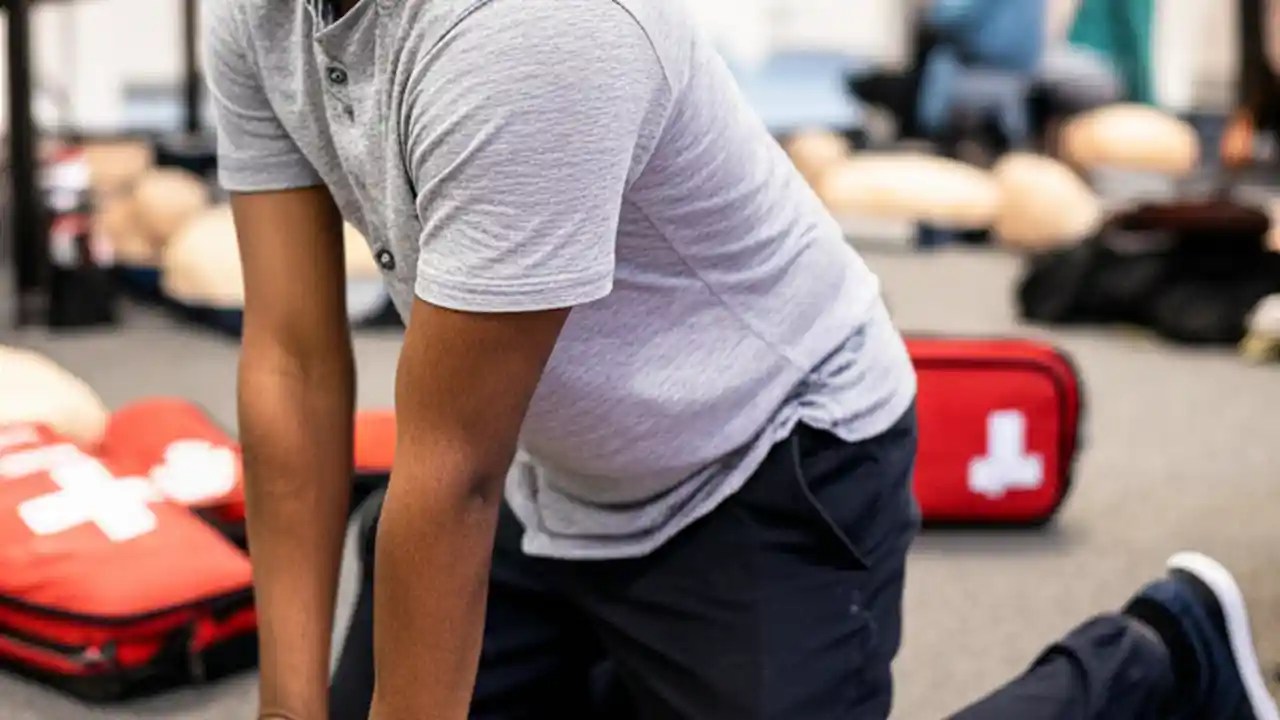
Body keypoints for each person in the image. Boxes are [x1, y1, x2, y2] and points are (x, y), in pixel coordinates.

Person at [203, 1, 1277, 719]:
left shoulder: (530, 31)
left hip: (768, 451)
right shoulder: (260, 14)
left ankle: (1161, 656)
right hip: (548, 477)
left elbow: (454, 471)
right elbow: (293, 362)